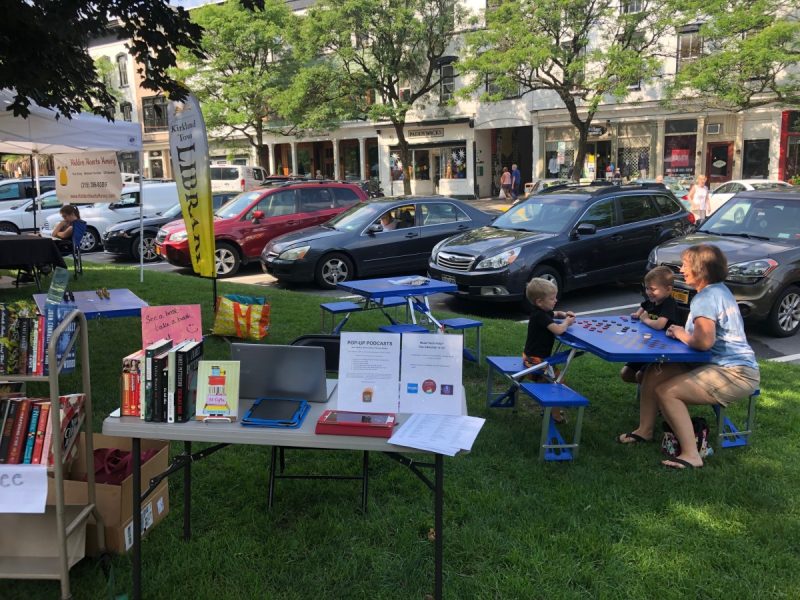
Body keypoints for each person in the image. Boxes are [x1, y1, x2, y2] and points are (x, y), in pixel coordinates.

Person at [617, 244, 760, 469]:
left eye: (685, 265)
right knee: (656, 371)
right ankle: (644, 431)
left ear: (699, 269)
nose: (681, 270)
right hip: (715, 363)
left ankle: (691, 455)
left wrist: (682, 333)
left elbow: (704, 342)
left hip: (735, 372)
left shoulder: (705, 298)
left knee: (667, 392)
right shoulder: (718, 290)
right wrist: (682, 334)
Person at [523, 278, 577, 424]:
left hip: (531, 358)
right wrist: (567, 322)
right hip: (536, 361)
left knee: (548, 381)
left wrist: (564, 314)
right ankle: (555, 415)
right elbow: (559, 330)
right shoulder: (540, 316)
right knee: (558, 383)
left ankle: (548, 408)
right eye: (552, 298)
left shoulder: (541, 312)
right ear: (540, 302)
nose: (555, 300)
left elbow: (555, 313)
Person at [619, 266, 679, 384]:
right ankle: (652, 389)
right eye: (647, 288)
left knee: (641, 375)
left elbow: (660, 325)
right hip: (648, 346)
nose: (649, 293)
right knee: (626, 373)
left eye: (653, 289)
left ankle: (654, 392)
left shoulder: (669, 303)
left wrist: (645, 319)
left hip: (663, 350)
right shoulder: (652, 301)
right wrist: (637, 314)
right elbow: (643, 306)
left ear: (668, 289)